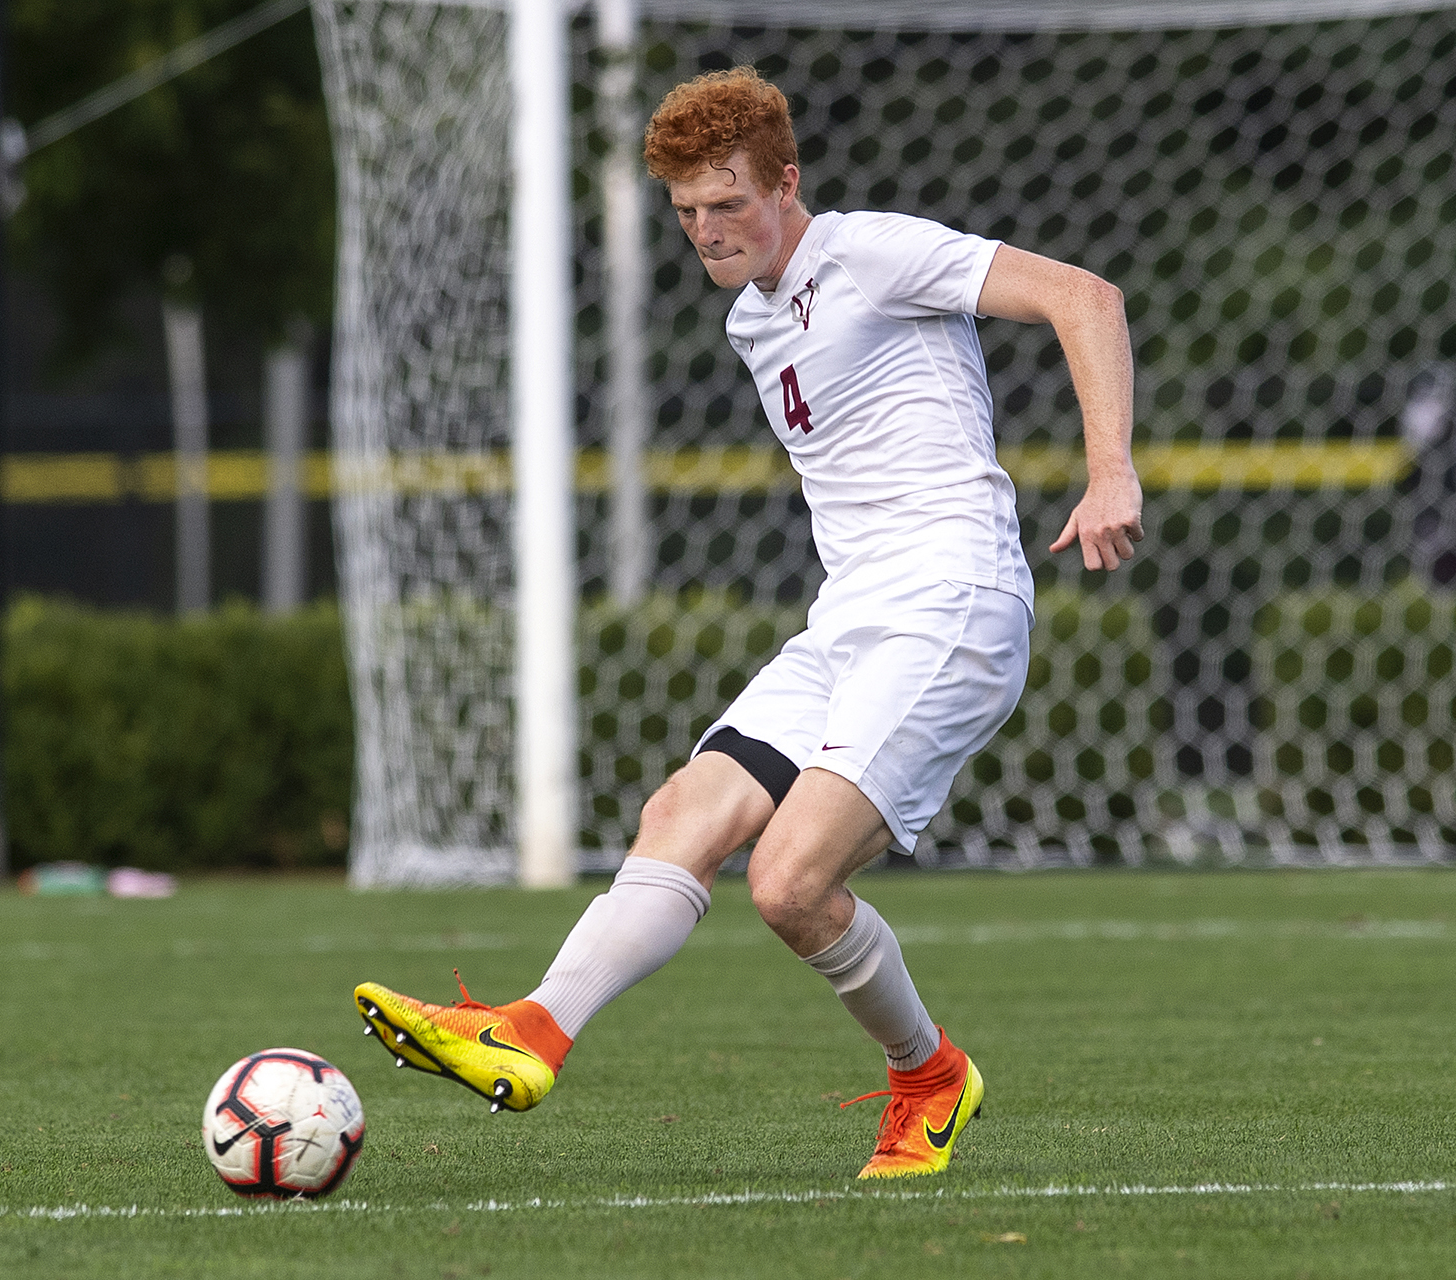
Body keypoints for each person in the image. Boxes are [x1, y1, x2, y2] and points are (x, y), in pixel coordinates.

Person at [355, 67, 1142, 1180]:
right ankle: (531, 1030)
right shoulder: (750, 317)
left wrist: (1111, 474)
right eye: (685, 210)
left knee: (788, 882)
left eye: (727, 202)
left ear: (785, 183)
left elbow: (1086, 297)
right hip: (852, 617)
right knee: (681, 812)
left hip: (952, 603)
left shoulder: (870, 251)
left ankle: (929, 1075)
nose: (707, 229)